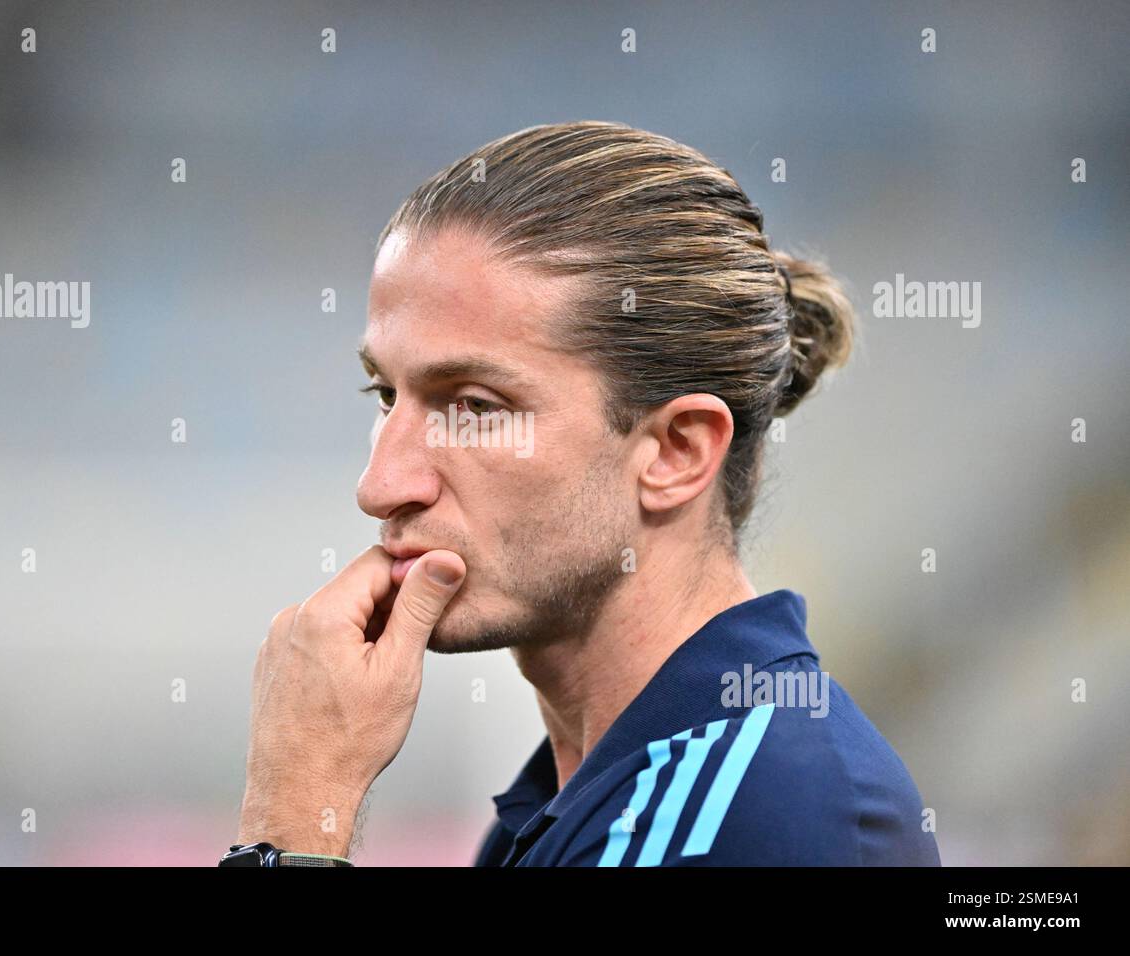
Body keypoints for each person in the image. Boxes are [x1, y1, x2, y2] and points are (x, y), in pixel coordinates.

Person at [225, 120, 940, 867]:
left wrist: (296, 814)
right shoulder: (573, 805)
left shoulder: (759, 809)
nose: (380, 486)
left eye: (473, 406)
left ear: (674, 452)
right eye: (385, 393)